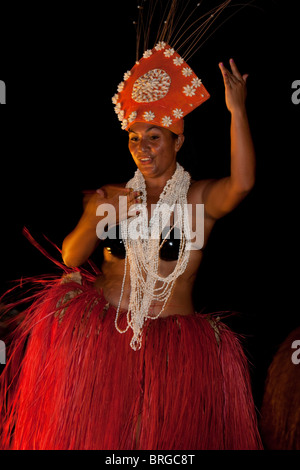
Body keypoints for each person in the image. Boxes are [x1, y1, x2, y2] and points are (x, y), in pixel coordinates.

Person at [0, 11, 263, 449]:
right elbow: (70, 255)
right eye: (134, 137)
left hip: (174, 354)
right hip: (104, 341)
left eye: (155, 136)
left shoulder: (198, 199)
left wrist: (236, 111)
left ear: (178, 141)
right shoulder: (111, 195)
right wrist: (97, 212)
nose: (143, 147)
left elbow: (243, 183)